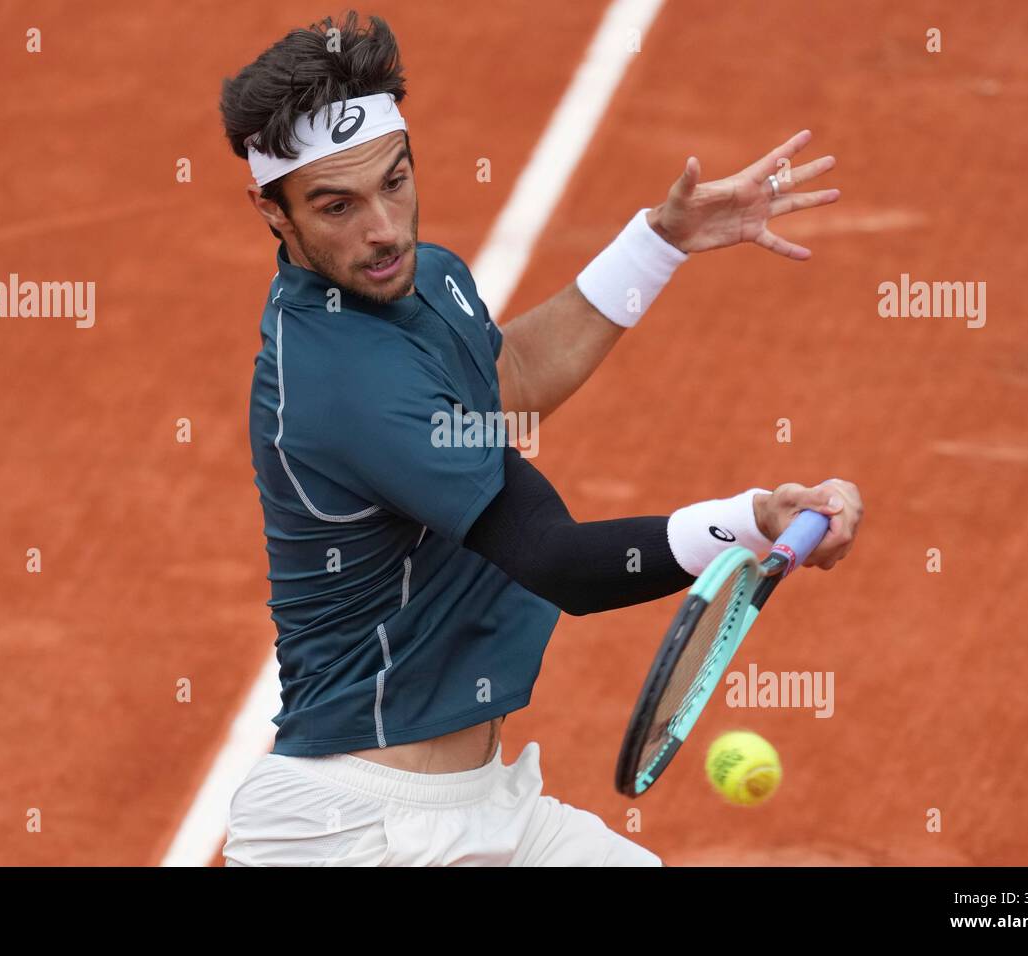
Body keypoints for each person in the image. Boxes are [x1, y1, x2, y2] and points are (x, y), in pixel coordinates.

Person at [218, 11, 862, 866]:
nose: (384, 230)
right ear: (273, 212)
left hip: (484, 804)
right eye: (337, 206)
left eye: (396, 183)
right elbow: (555, 560)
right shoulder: (342, 387)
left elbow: (504, 383)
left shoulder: (424, 278)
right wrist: (754, 520)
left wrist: (658, 245)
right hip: (357, 831)